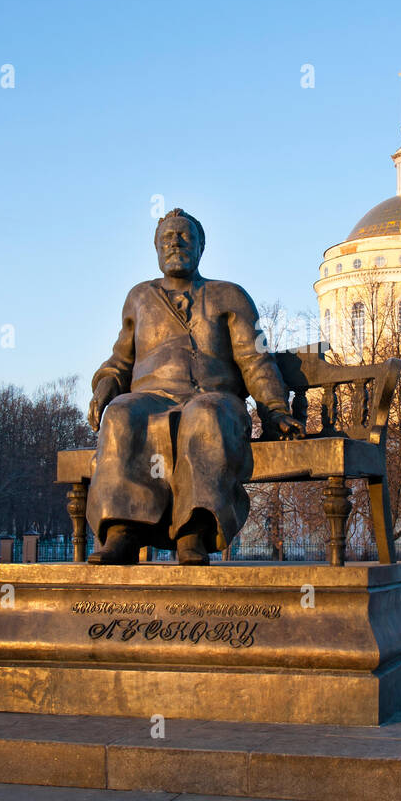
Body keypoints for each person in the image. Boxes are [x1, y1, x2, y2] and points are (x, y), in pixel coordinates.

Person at [86, 208, 302, 565]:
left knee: (204, 415)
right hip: (149, 401)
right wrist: (105, 387)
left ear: (202, 247)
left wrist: (275, 409)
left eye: (185, 236)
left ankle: (194, 531)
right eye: (166, 238)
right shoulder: (139, 298)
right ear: (156, 249)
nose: (175, 242)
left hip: (214, 400)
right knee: (122, 413)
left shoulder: (228, 296)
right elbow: (120, 362)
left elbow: (254, 359)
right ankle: (122, 530)